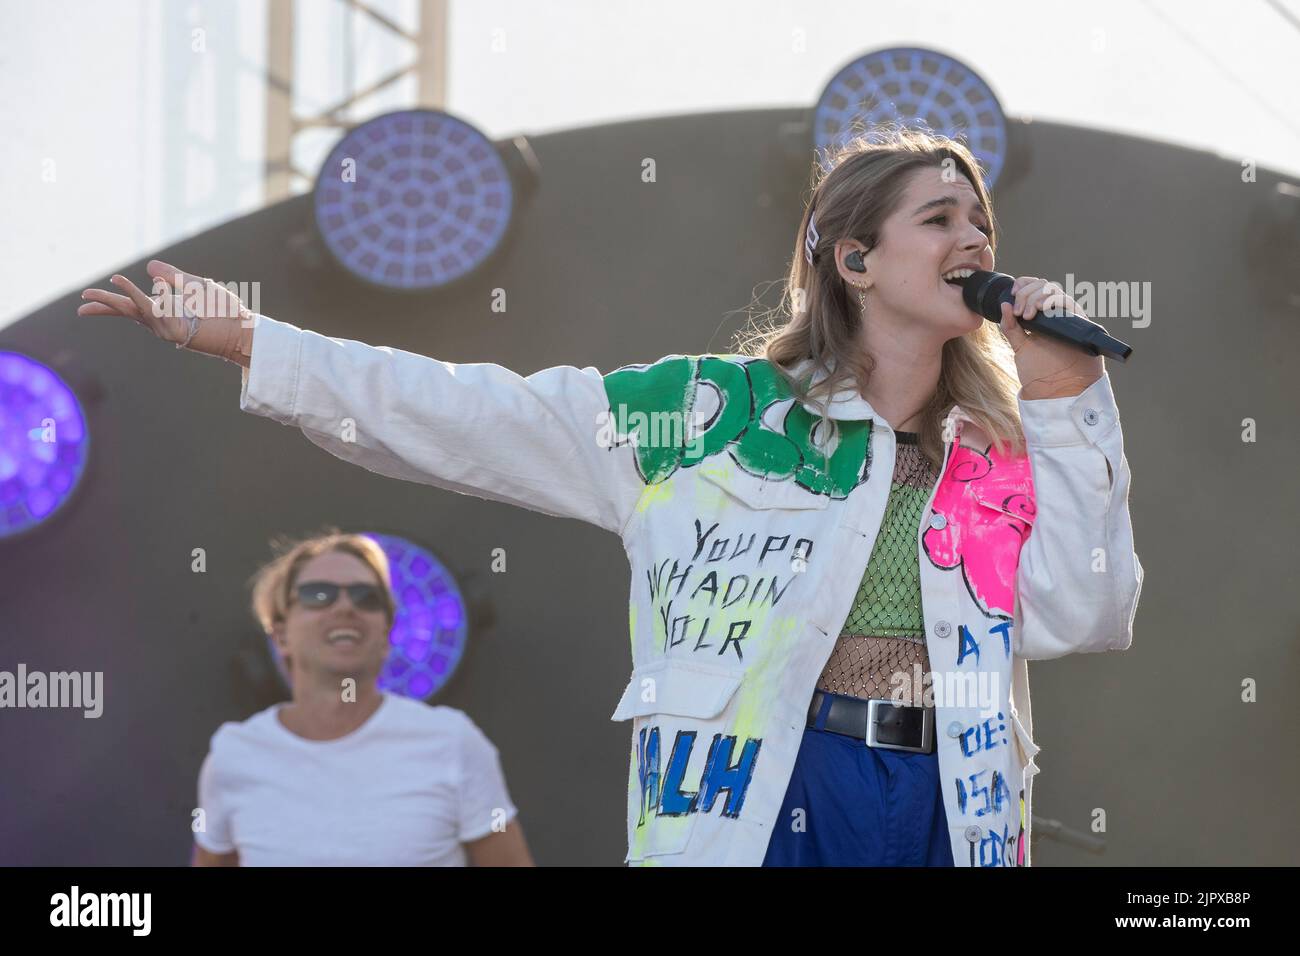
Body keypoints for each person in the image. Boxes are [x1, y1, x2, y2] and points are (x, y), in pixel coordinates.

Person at [83, 127, 1143, 867]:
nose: (975, 242)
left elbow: (1084, 614)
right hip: (773, 784)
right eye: (940, 217)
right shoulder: (707, 415)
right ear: (854, 258)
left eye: (981, 224)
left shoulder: (996, 448)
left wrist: (1067, 398)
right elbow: (470, 414)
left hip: (950, 797)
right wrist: (256, 341)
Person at [189, 530, 533, 866]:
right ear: (280, 636)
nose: (345, 607)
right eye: (319, 594)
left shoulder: (453, 742)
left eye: (366, 597)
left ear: (386, 635)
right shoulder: (233, 756)